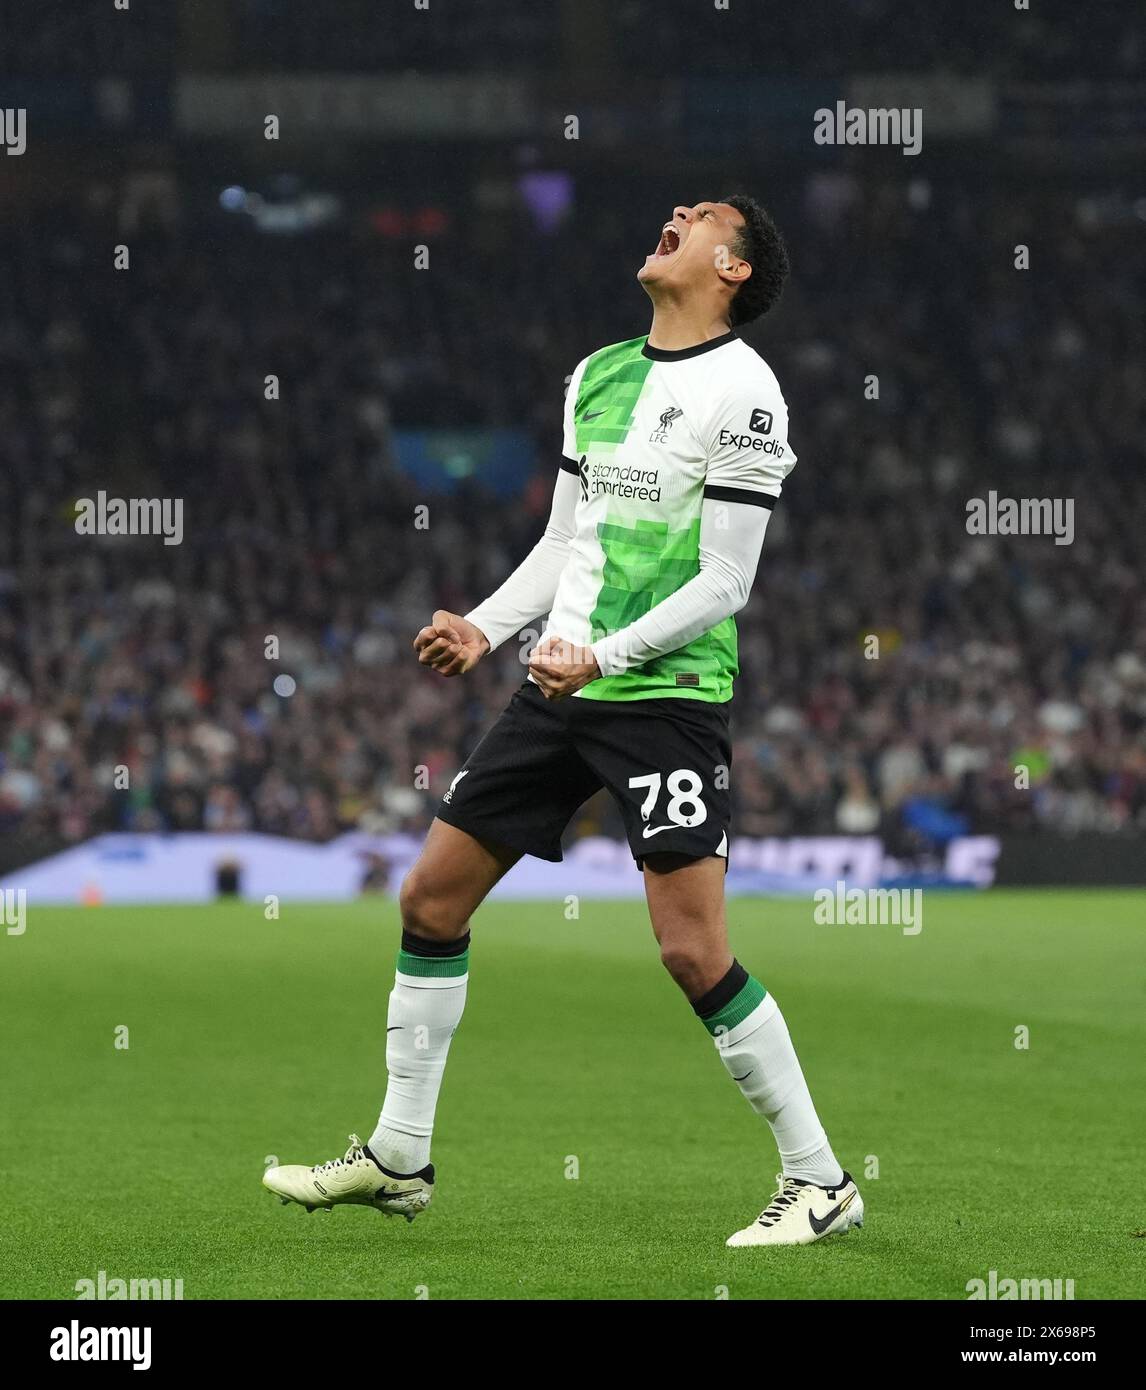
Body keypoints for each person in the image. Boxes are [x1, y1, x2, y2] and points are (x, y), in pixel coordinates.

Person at [263, 197, 862, 1247]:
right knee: (431, 897)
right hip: (556, 690)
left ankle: (820, 1181)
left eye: (702, 216)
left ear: (732, 268)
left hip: (663, 700)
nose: (673, 213)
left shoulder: (747, 393)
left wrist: (609, 655)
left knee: (691, 951)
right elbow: (563, 544)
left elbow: (726, 581)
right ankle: (400, 1156)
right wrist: (486, 627)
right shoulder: (597, 374)